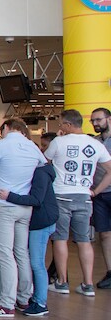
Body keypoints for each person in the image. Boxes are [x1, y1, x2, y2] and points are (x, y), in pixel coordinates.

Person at [0, 118, 44, 317]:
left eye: (0, 129)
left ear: (7, 127)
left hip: (4, 205)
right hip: (25, 205)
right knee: (22, 253)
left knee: (5, 255)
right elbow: (42, 168)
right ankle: (24, 298)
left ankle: (6, 304)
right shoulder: (32, 147)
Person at [44, 109, 111, 297]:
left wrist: (58, 139)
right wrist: (95, 191)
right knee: (84, 241)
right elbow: (110, 171)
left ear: (67, 125)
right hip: (84, 197)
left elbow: (43, 162)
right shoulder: (95, 144)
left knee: (60, 239)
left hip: (61, 197)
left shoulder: (58, 142)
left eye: (60, 124)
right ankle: (88, 285)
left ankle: (62, 282)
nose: (60, 128)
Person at [0, 154, 58, 316]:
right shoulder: (42, 171)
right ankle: (32, 298)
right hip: (44, 219)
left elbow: (36, 199)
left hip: (41, 221)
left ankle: (40, 302)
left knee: (36, 262)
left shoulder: (40, 173)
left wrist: (9, 196)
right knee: (30, 259)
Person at [90, 108, 111, 289]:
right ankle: (110, 271)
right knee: (104, 234)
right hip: (100, 193)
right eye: (93, 121)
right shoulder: (94, 142)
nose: (96, 123)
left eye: (98, 120)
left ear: (108, 119)